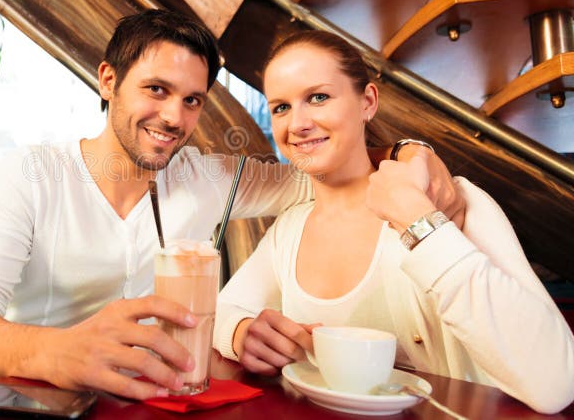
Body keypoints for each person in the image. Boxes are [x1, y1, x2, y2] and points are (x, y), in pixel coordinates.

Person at [0, 9, 463, 401]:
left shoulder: (208, 177)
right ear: (108, 81)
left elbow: (324, 170)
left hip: (148, 402)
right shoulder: (32, 177)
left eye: (192, 100)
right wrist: (58, 352)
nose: (174, 118)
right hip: (26, 400)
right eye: (156, 89)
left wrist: (408, 150)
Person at [212, 30, 574, 414]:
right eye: (281, 107)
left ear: (367, 102)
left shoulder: (450, 201)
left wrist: (422, 227)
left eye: (318, 97)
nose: (297, 123)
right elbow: (224, 311)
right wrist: (241, 334)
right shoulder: (289, 228)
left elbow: (557, 381)